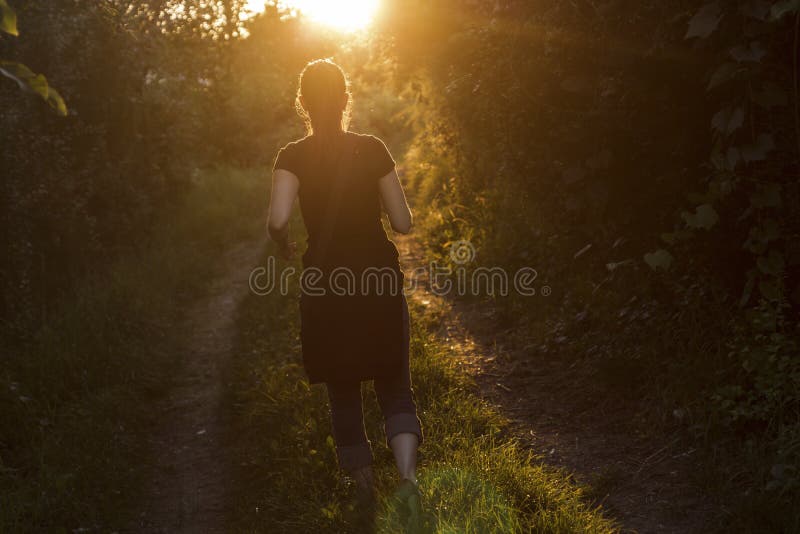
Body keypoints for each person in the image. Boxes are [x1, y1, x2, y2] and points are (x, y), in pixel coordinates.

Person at [266, 58, 424, 525]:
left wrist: (283, 243)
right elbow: (402, 223)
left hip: (326, 281)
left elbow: (277, 219)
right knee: (394, 381)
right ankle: (408, 478)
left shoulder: (291, 156)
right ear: (345, 99)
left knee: (342, 387)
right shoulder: (372, 148)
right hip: (377, 276)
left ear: (303, 103)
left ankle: (365, 488)